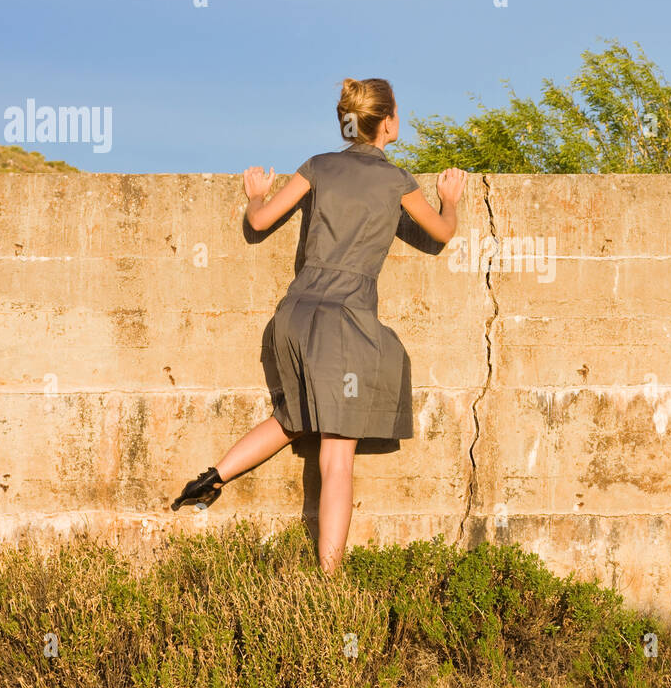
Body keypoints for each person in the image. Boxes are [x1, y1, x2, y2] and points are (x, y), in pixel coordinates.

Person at [172, 77, 467, 574]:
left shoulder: (317, 166)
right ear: (388, 122)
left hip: (294, 315)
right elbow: (440, 234)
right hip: (345, 321)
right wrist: (450, 198)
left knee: (292, 419)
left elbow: (261, 221)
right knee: (337, 456)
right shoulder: (397, 180)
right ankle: (328, 582)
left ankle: (212, 476)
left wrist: (254, 195)